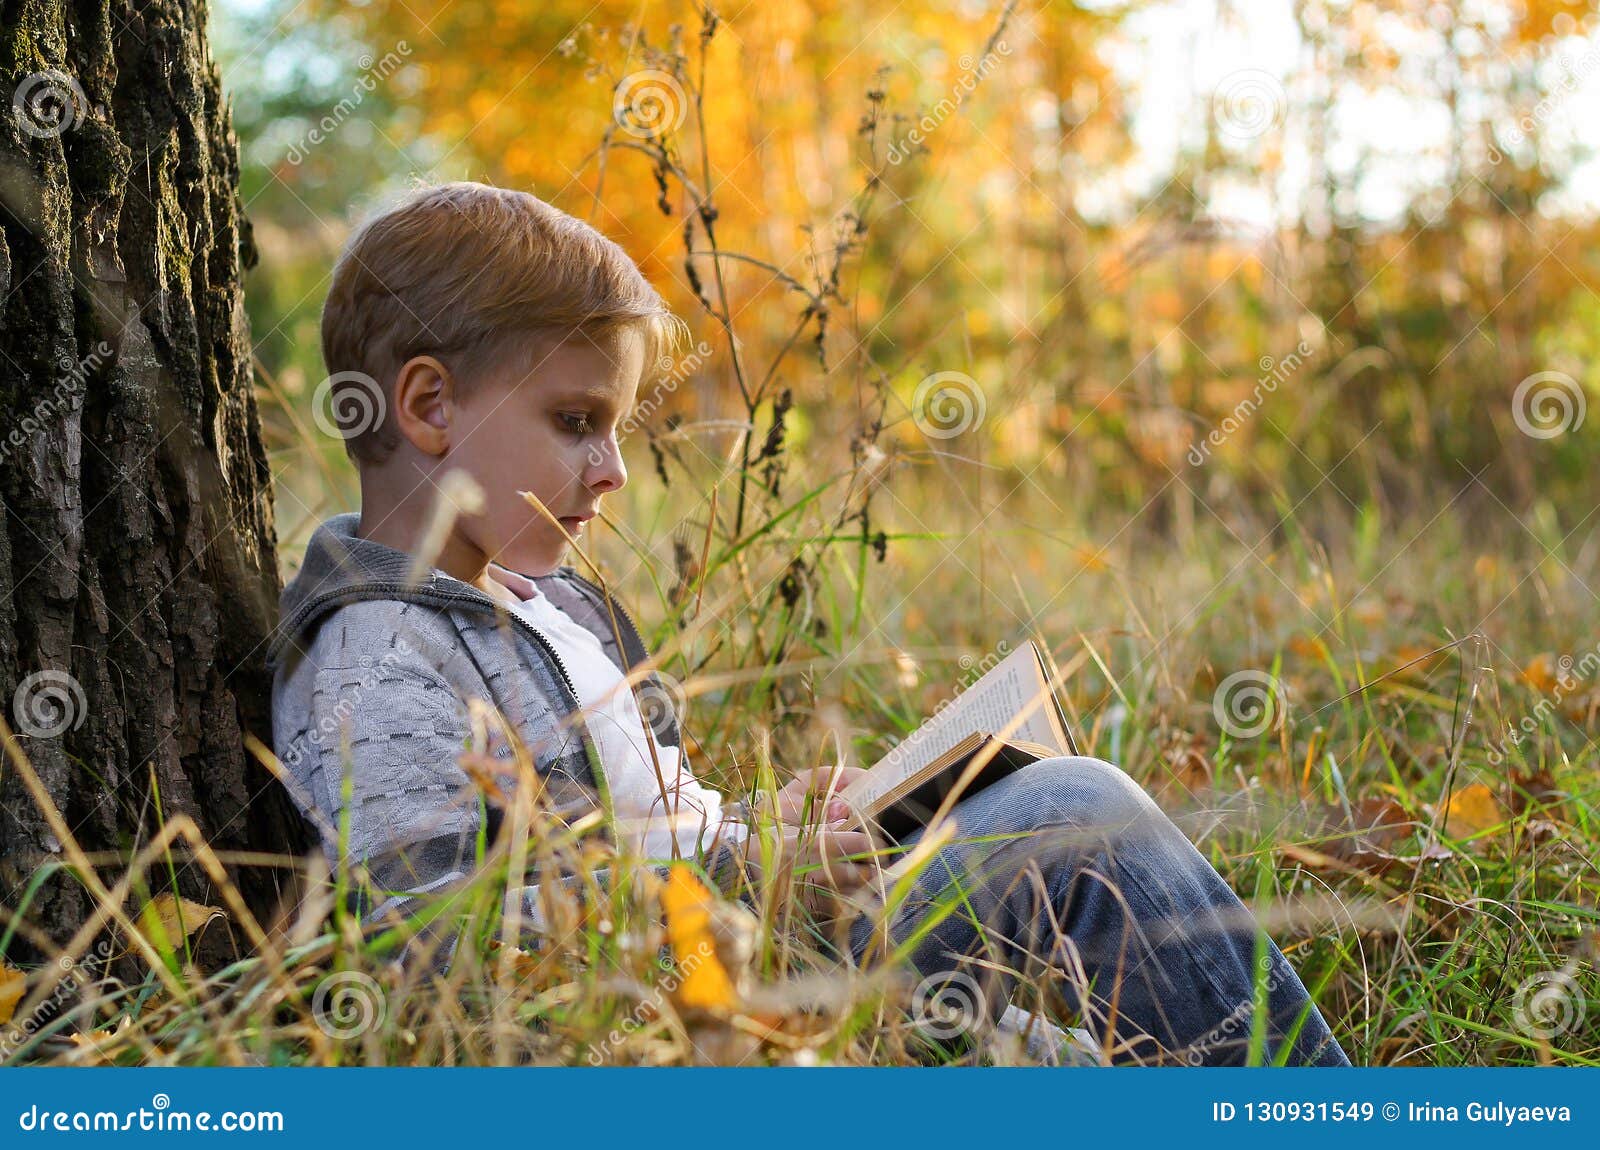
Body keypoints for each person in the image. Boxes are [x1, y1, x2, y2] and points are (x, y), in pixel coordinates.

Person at [268, 180, 1350, 1066]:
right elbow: (437, 952)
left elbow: (654, 822)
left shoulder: (544, 600)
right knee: (1080, 815)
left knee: (1046, 882)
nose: (614, 466)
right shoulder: (379, 652)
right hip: (709, 996)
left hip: (769, 934)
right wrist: (749, 875)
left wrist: (770, 831)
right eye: (575, 421)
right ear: (427, 406)